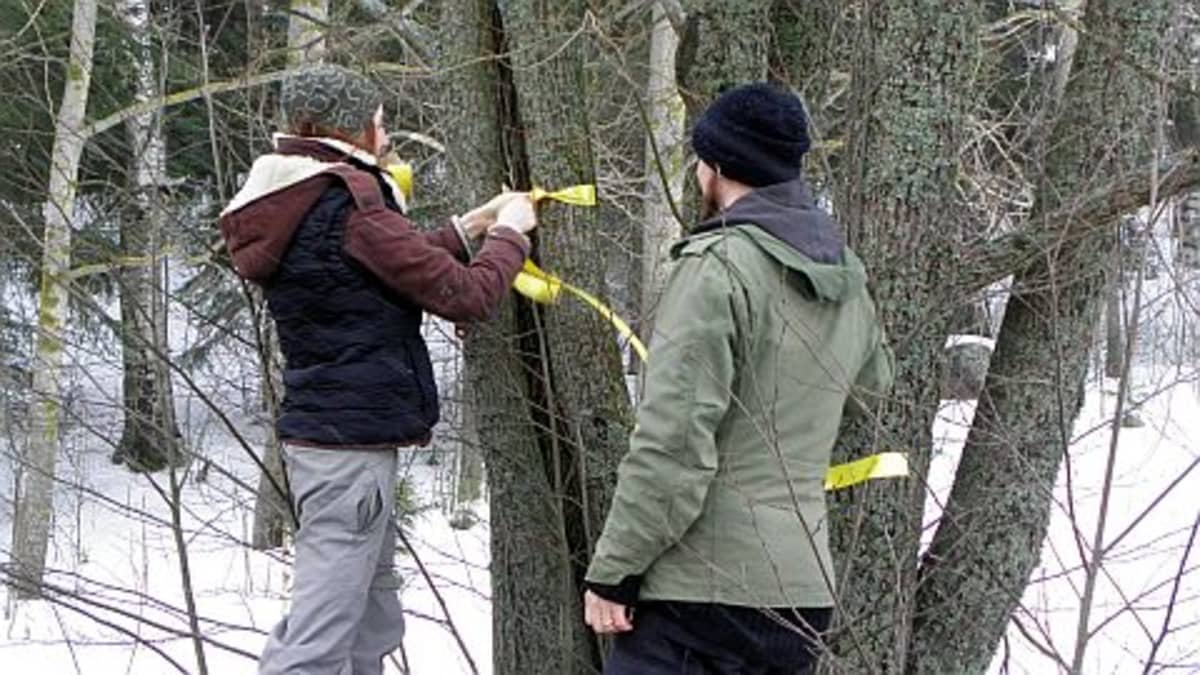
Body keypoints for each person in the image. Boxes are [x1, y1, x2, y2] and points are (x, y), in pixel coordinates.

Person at [218, 63, 535, 675]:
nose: (386, 135)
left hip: (336, 443)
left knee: (370, 618)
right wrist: (511, 237)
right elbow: (466, 295)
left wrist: (471, 227)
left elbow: (384, 264)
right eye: (379, 122)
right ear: (351, 127)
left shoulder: (298, 195)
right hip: (348, 456)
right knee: (318, 641)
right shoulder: (345, 203)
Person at [582, 83, 894, 674]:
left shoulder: (717, 267)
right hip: (801, 595)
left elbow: (673, 445)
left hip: (700, 595)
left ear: (718, 167)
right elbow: (870, 385)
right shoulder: (844, 274)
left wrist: (614, 571)